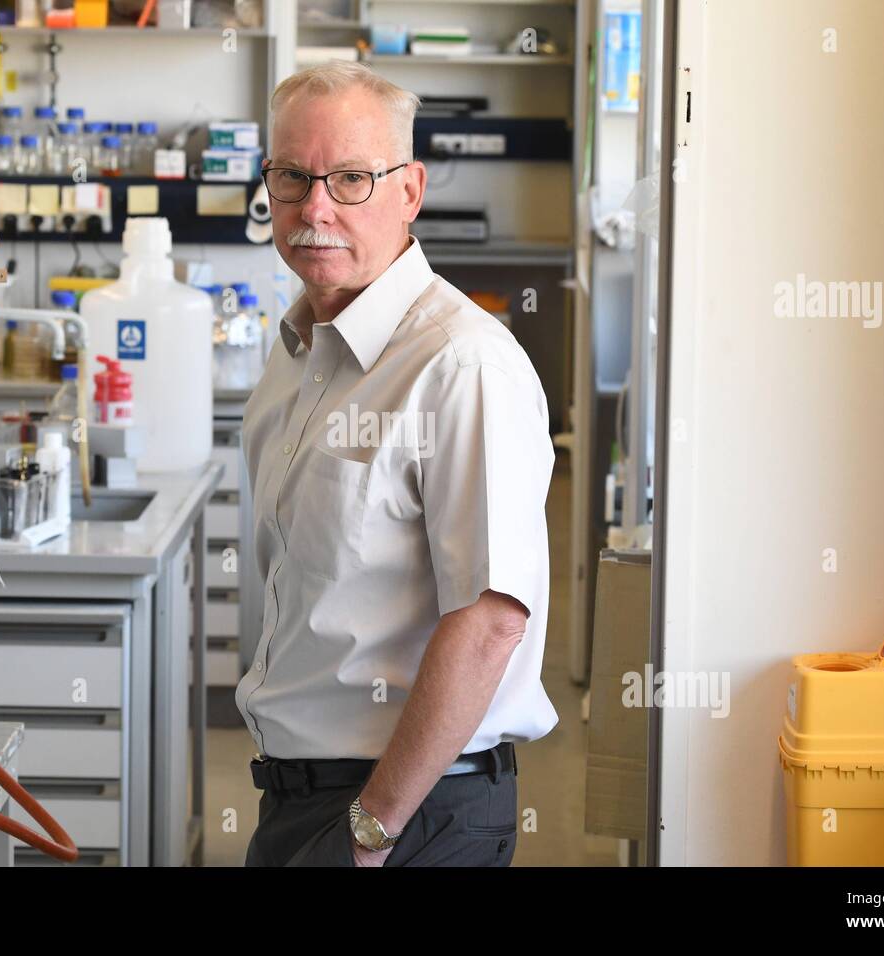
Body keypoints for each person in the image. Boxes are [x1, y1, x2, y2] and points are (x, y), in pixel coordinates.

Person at [239, 61, 558, 867]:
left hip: (411, 812)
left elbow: (491, 620)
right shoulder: (297, 353)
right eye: (291, 176)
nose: (315, 208)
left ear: (410, 191)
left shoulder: (460, 364)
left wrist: (372, 830)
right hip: (299, 800)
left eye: (351, 179)